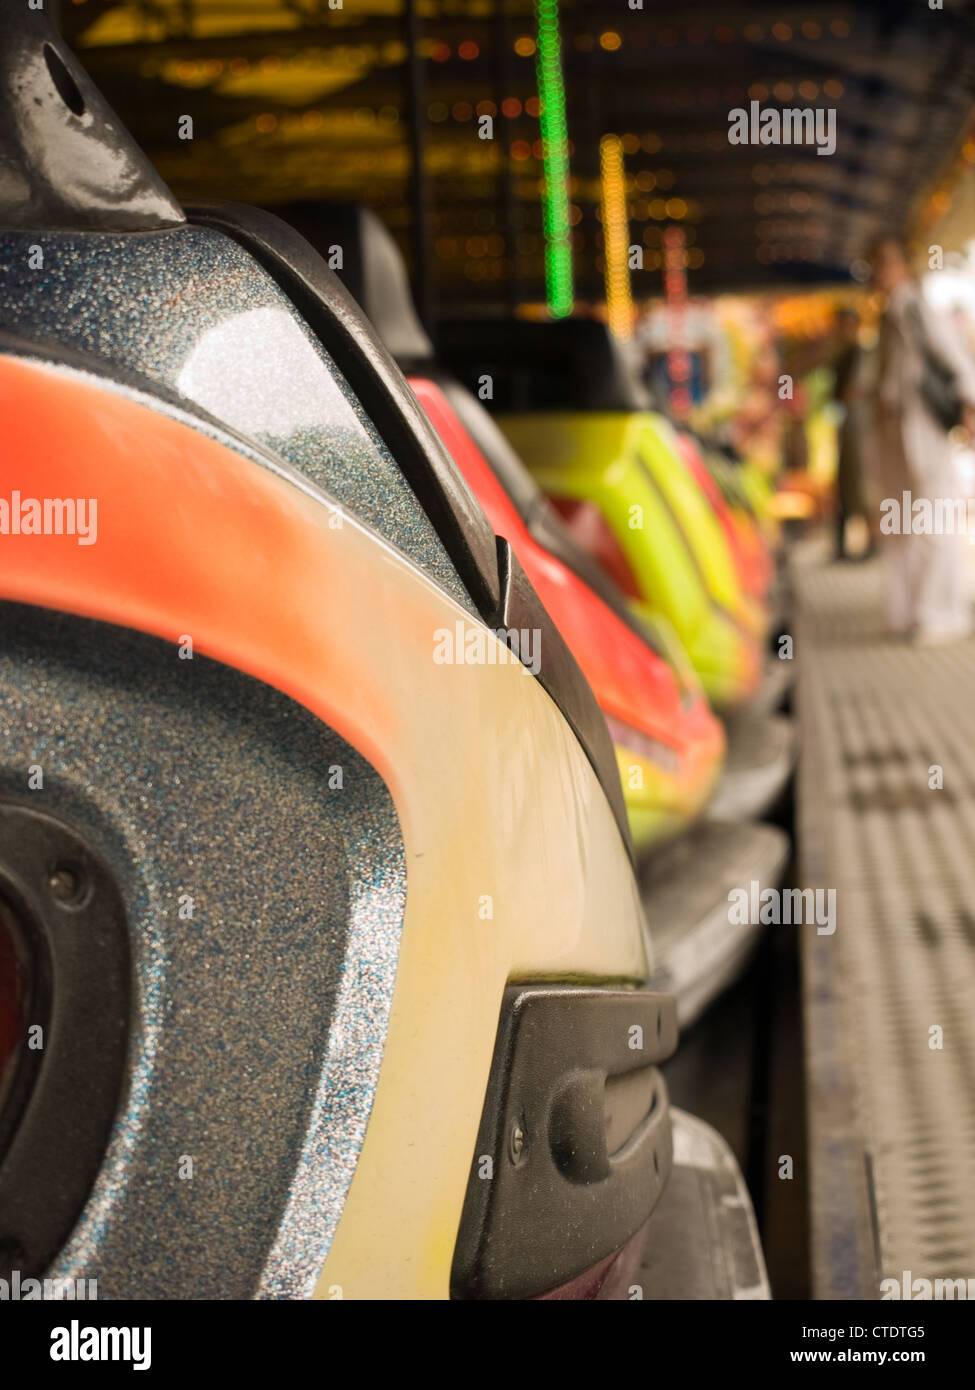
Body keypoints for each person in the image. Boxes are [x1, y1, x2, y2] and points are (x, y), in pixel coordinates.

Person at [867, 236, 975, 643]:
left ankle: (941, 613)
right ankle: (909, 611)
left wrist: (969, 407)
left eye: (884, 264)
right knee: (902, 520)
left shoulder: (917, 307)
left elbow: (958, 360)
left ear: (903, 268)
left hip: (923, 428)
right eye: (874, 264)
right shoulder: (887, 315)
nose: (878, 273)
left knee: (936, 518)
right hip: (895, 429)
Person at [832, 307, 871, 559]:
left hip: (858, 429)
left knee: (859, 486)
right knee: (846, 487)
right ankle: (843, 546)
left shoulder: (861, 355)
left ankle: (866, 545)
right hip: (849, 426)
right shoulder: (843, 353)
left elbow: (853, 391)